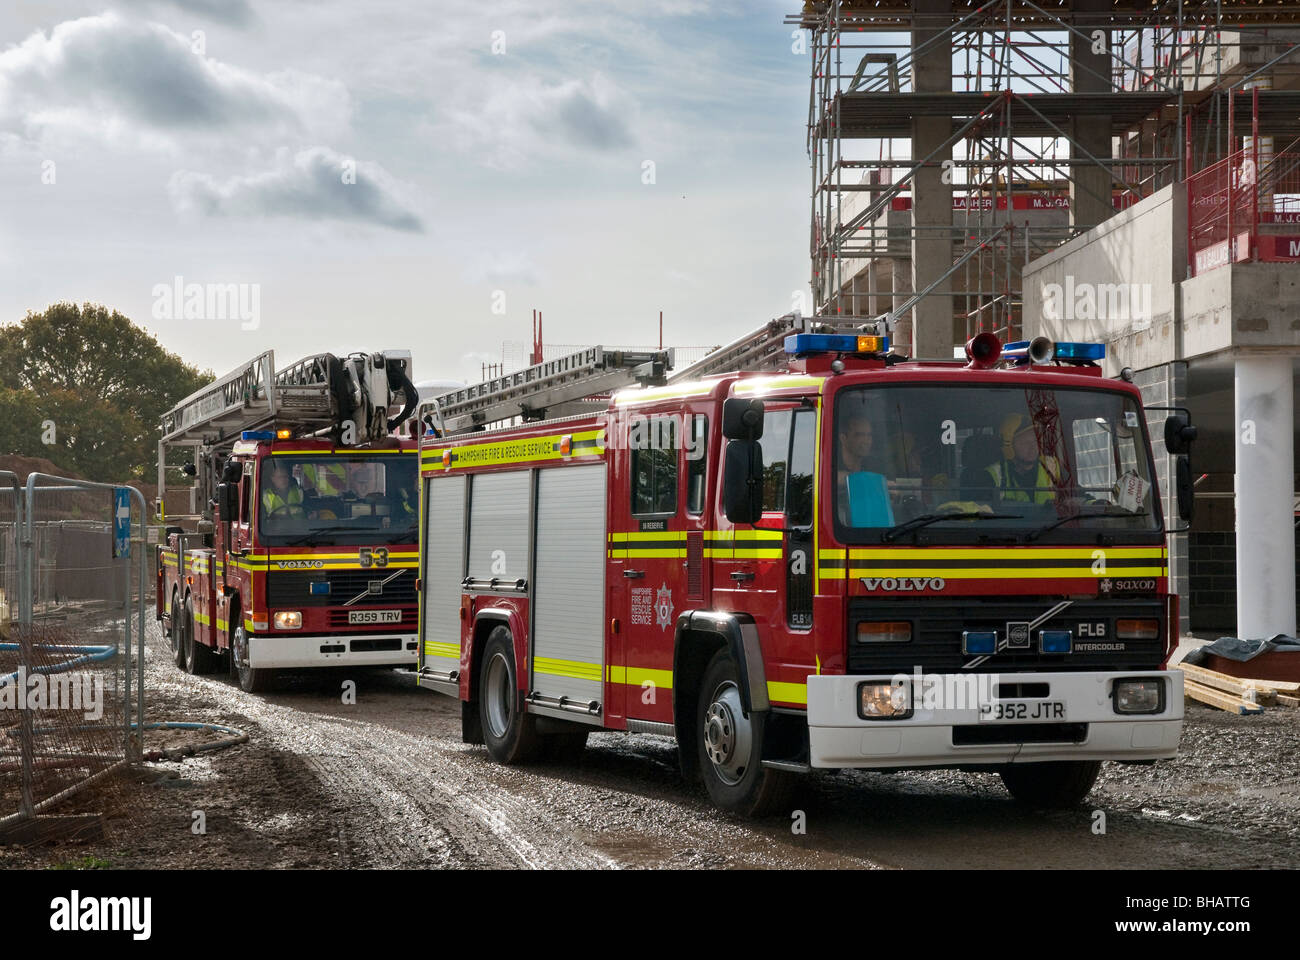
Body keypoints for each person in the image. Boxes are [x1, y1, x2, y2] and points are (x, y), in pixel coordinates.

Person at [985, 413, 1060, 506]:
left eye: (1035, 441)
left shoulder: (1052, 465)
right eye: (1025, 443)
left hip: (1053, 521)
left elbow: (1070, 496)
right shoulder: (992, 476)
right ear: (1008, 446)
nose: (1033, 447)